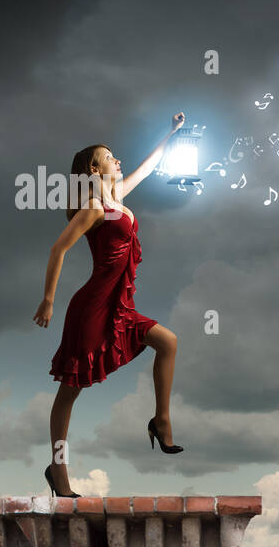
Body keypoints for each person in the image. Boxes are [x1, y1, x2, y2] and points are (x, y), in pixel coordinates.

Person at [33, 113, 186, 497]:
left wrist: (170, 132)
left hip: (120, 306)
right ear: (93, 168)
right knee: (70, 390)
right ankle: (58, 470)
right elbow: (58, 249)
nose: (117, 161)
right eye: (110, 156)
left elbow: (148, 169)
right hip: (91, 307)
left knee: (168, 342)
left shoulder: (117, 199)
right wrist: (48, 299)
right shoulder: (95, 209)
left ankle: (161, 421)